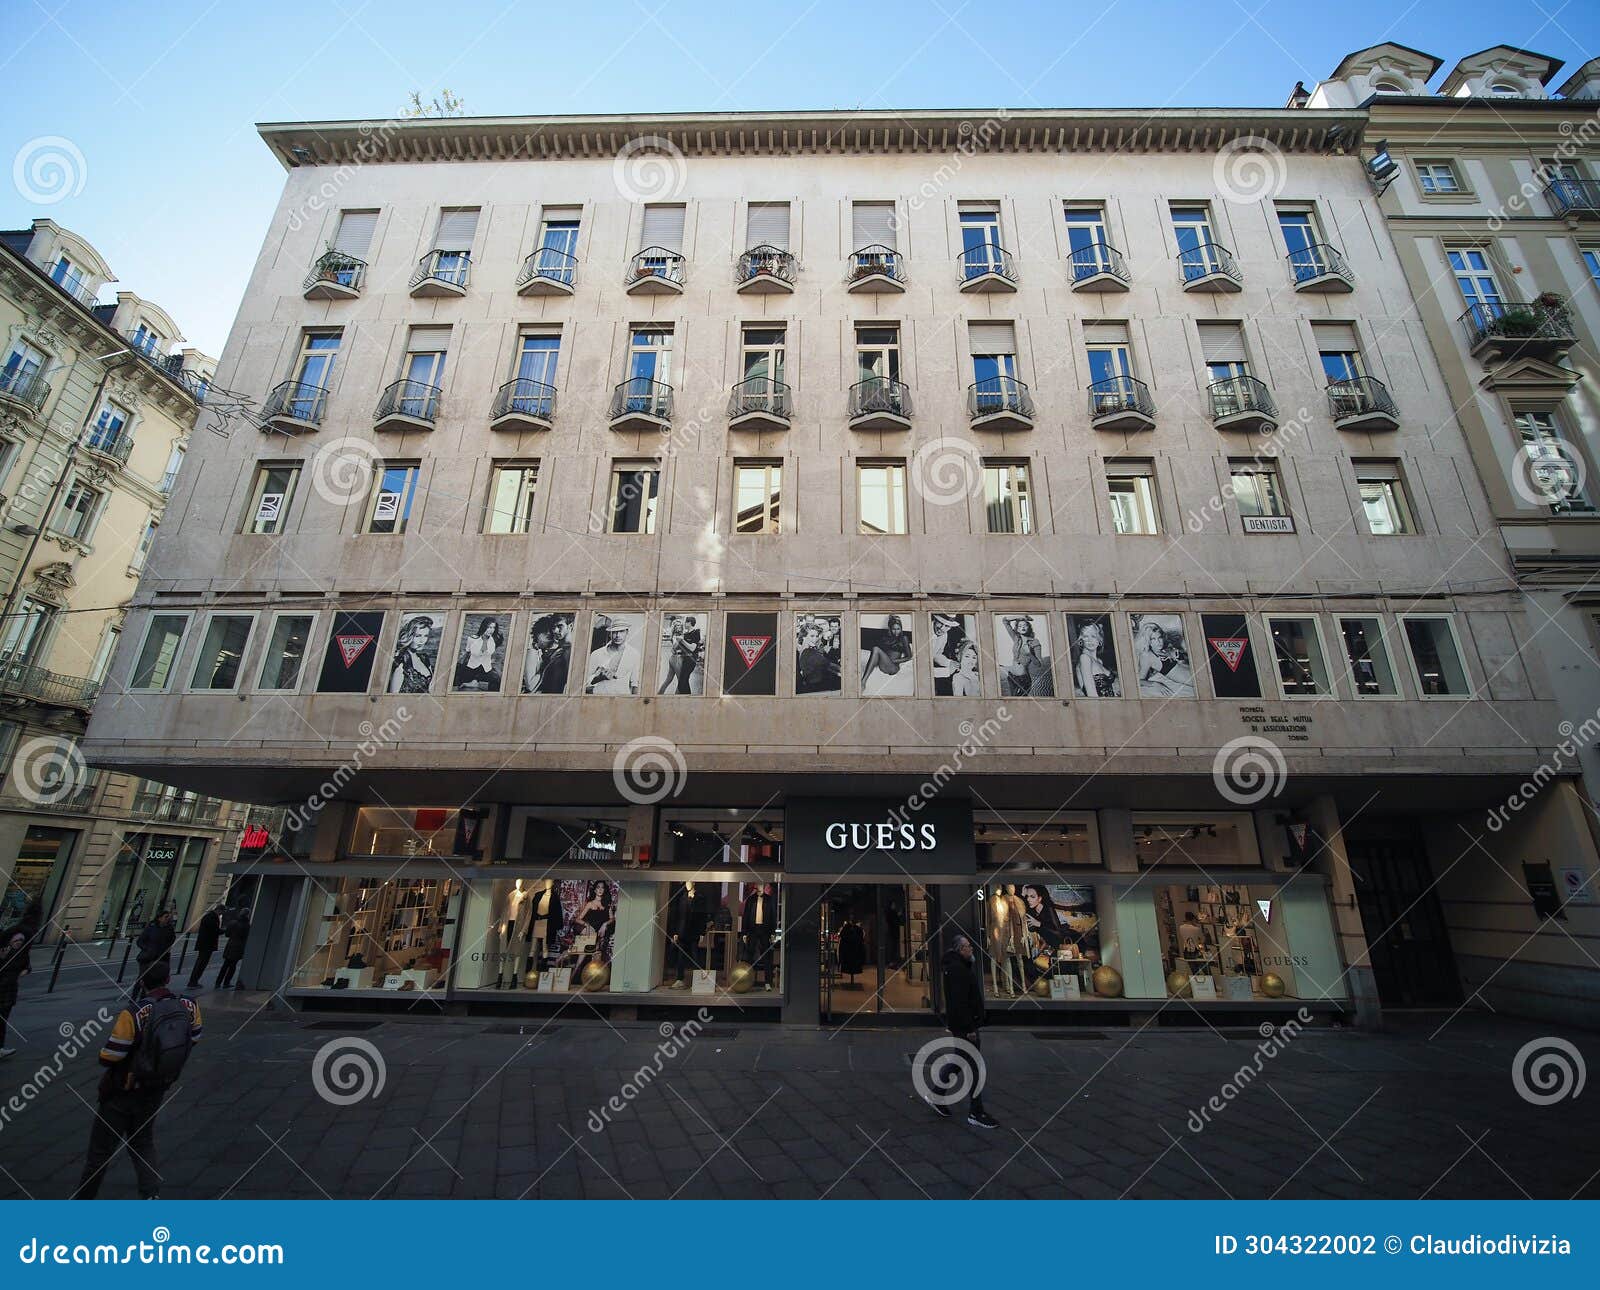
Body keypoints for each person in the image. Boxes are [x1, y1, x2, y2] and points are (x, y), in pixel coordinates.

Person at [73, 959, 201, 1199]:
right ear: (168, 979)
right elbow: (194, 1037)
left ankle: (83, 1200)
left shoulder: (134, 1012)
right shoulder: (188, 1005)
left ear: (142, 982)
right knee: (142, 1141)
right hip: (157, 1086)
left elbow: (112, 1055)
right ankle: (151, 1194)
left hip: (123, 1089)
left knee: (100, 1150)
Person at [930, 934, 998, 1129]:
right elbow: (960, 1003)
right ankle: (976, 1112)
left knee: (960, 1061)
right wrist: (970, 1028)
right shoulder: (958, 970)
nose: (971, 949)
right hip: (965, 1027)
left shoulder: (956, 968)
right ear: (960, 950)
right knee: (974, 1067)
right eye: (968, 947)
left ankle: (937, 1095)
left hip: (962, 1025)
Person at [585, 617, 641, 695]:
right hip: (599, 699)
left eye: (621, 631)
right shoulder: (596, 654)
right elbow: (585, 684)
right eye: (615, 632)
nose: (618, 635)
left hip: (622, 701)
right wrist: (600, 677)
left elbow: (635, 684)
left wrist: (636, 704)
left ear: (627, 632)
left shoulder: (634, 654)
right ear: (610, 633)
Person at [1001, 615, 1054, 697]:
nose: (1022, 627)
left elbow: (1039, 664)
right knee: (1012, 701)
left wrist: (1029, 654)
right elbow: (1005, 621)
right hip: (1011, 676)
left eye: (1025, 625)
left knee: (1020, 703)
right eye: (1020, 626)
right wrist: (1020, 616)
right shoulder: (1016, 638)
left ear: (1029, 627)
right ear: (1017, 629)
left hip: (1023, 680)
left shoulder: (1035, 642)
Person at [860, 614, 913, 694]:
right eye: (894, 629)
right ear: (890, 629)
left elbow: (909, 656)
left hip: (893, 667)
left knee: (876, 649)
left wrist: (895, 660)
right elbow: (882, 653)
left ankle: (863, 682)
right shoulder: (885, 638)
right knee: (875, 649)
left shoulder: (904, 638)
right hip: (884, 665)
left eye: (898, 629)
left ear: (901, 629)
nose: (896, 631)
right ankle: (863, 681)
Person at [0, 928, 31, 1058]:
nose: (19, 942)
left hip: (9, 992)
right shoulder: (3, 951)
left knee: (2, 1022)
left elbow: (28, 968)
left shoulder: (22, 954)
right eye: (16, 940)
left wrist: (19, 974)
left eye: (21, 940)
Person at [134, 910, 176, 992]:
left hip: (162, 956)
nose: (168, 919)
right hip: (149, 956)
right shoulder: (151, 928)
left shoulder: (169, 929)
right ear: (159, 918)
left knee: (157, 977)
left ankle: (148, 994)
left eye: (169, 917)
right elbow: (140, 941)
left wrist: (167, 948)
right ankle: (134, 996)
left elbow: (172, 939)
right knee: (143, 976)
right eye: (166, 917)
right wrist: (147, 948)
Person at [187, 905, 223, 988]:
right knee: (201, 963)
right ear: (219, 910)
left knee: (201, 963)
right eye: (222, 912)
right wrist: (223, 931)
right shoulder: (211, 917)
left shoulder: (209, 916)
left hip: (205, 943)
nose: (222, 914)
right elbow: (214, 930)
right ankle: (193, 982)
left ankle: (194, 981)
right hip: (207, 944)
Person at [215, 908, 250, 989]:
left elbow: (227, 934)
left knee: (225, 965)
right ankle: (226, 982)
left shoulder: (233, 922)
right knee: (232, 966)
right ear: (247, 915)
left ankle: (218, 982)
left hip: (230, 945)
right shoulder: (246, 925)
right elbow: (246, 936)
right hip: (239, 946)